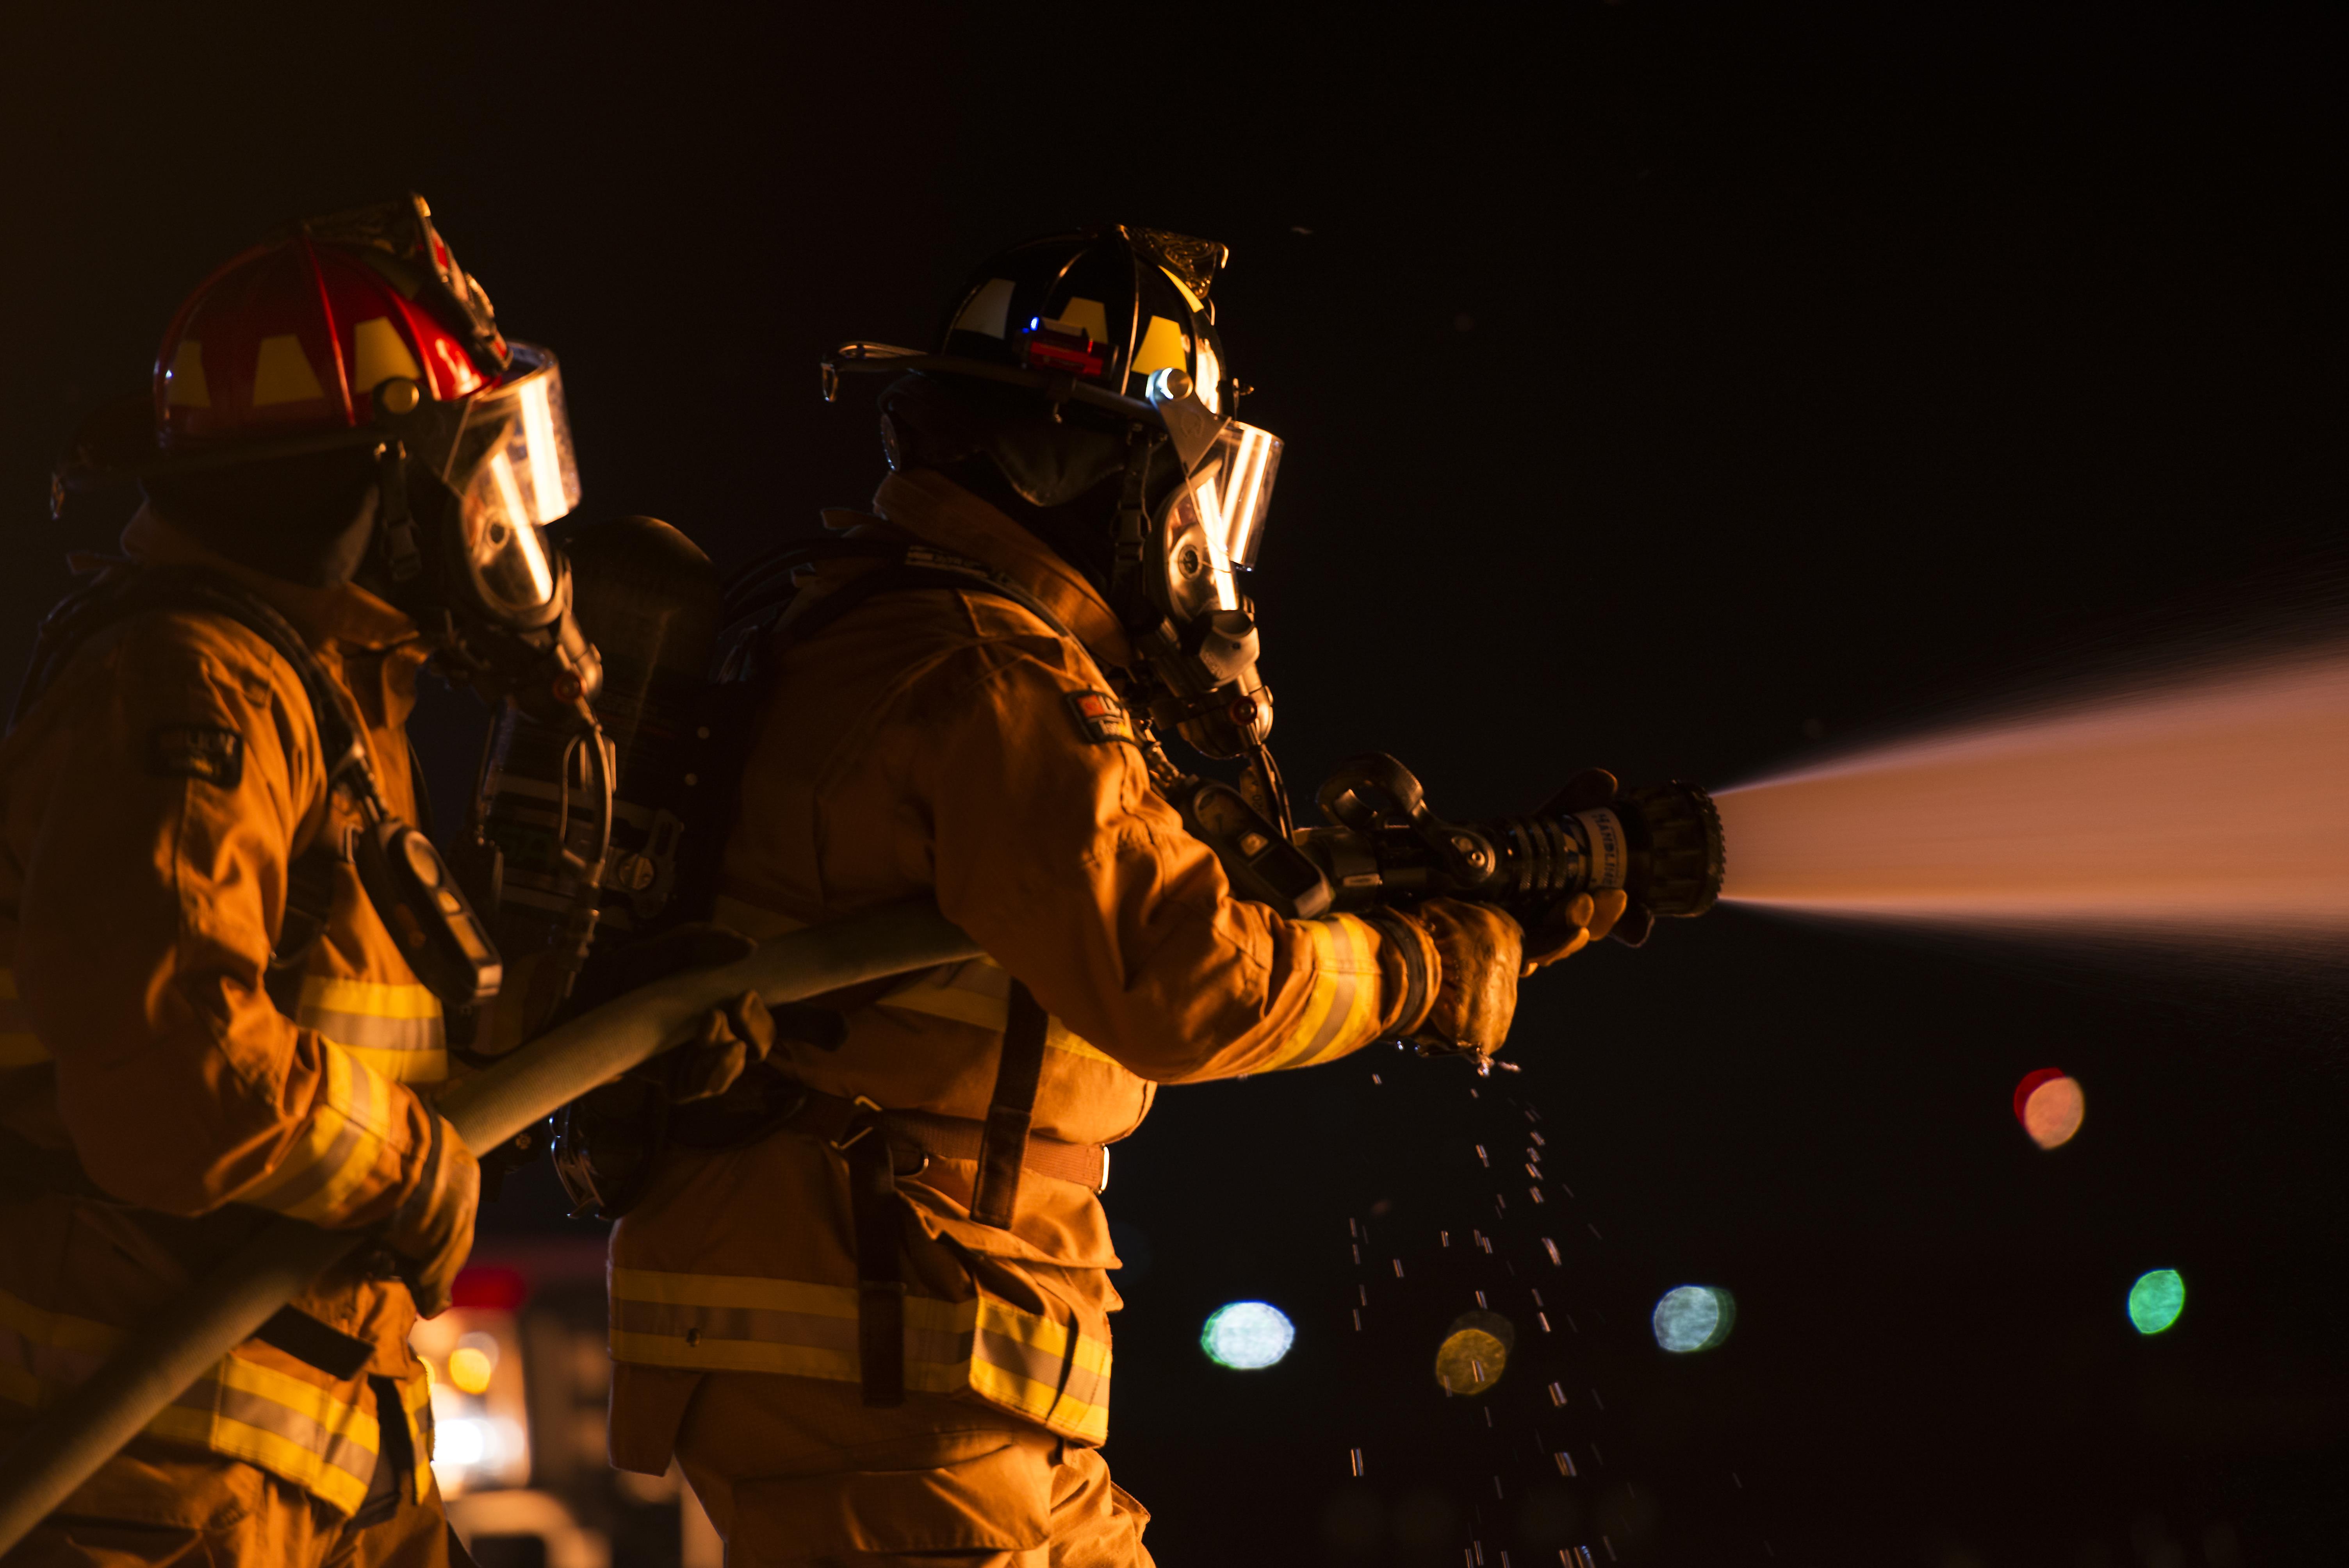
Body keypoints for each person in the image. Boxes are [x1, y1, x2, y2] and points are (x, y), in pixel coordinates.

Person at [586, 225, 1625, 1565]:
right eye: (1186, 489)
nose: (1200, 545)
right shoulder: (991, 680)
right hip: (892, 1354)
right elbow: (1189, 980)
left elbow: (1137, 892)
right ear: (1091, 474)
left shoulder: (881, 631)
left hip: (907, 1351)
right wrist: (1427, 972)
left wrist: (1459, 895)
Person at [0, 195, 601, 1566]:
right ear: (378, 484)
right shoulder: (192, 691)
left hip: (307, 1476)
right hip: (146, 1491)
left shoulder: (325, 705)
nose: (501, 530)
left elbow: (356, 1029)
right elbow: (174, 1073)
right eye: (478, 473)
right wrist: (414, 1167)